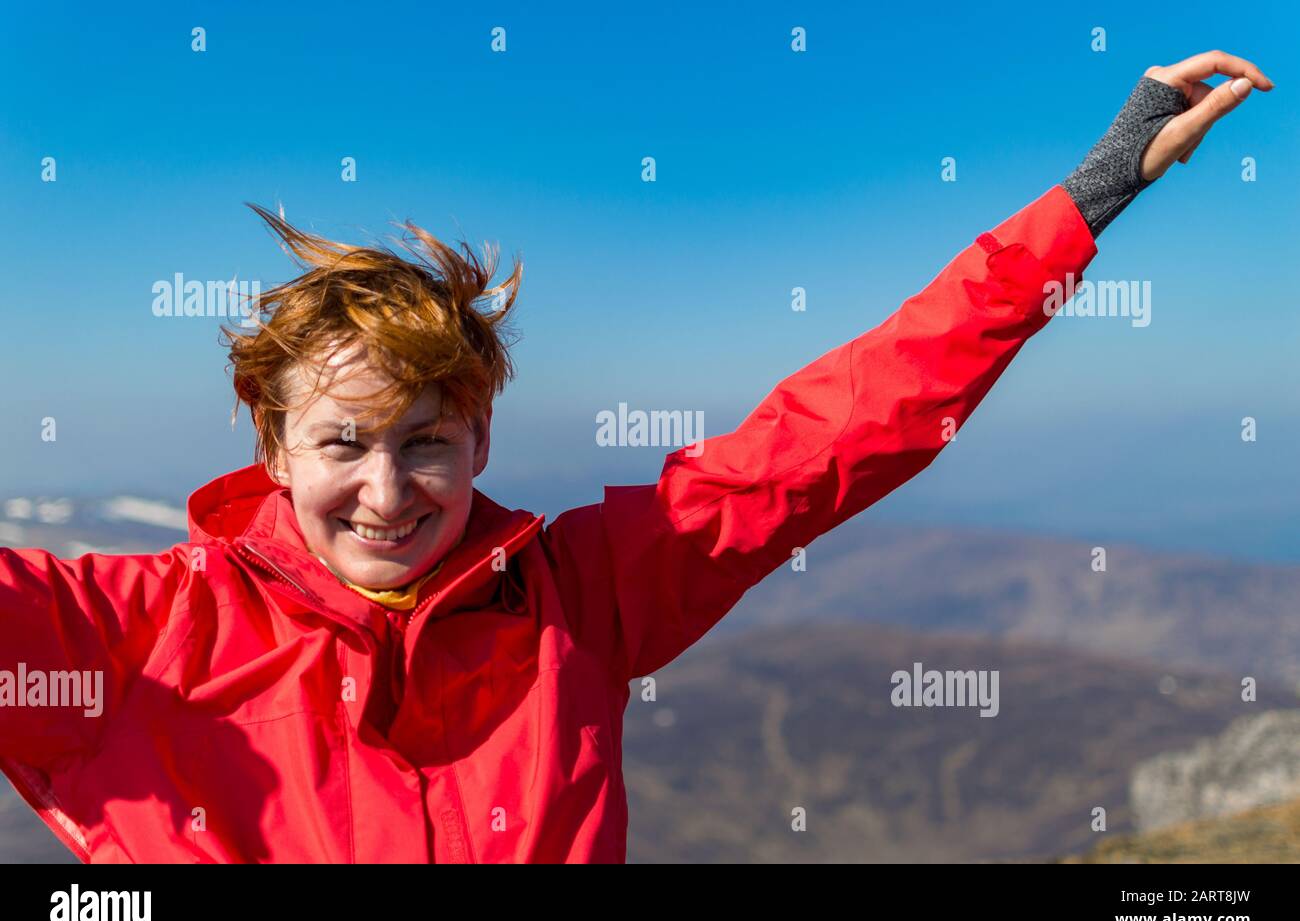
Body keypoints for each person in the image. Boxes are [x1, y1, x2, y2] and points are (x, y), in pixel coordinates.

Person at [0, 51, 1273, 863]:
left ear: (480, 435)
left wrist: (1090, 196)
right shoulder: (124, 632)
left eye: (426, 443)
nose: (387, 492)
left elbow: (841, 432)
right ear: (271, 444)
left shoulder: (582, 593)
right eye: (343, 442)